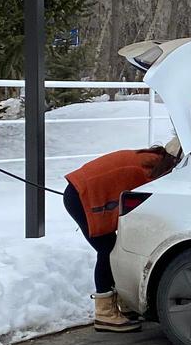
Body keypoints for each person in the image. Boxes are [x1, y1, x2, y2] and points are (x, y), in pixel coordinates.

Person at [63, 142, 179, 331]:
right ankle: (105, 313)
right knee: (108, 249)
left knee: (117, 247)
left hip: (82, 192)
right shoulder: (149, 171)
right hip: (81, 196)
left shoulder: (150, 160)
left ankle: (124, 304)